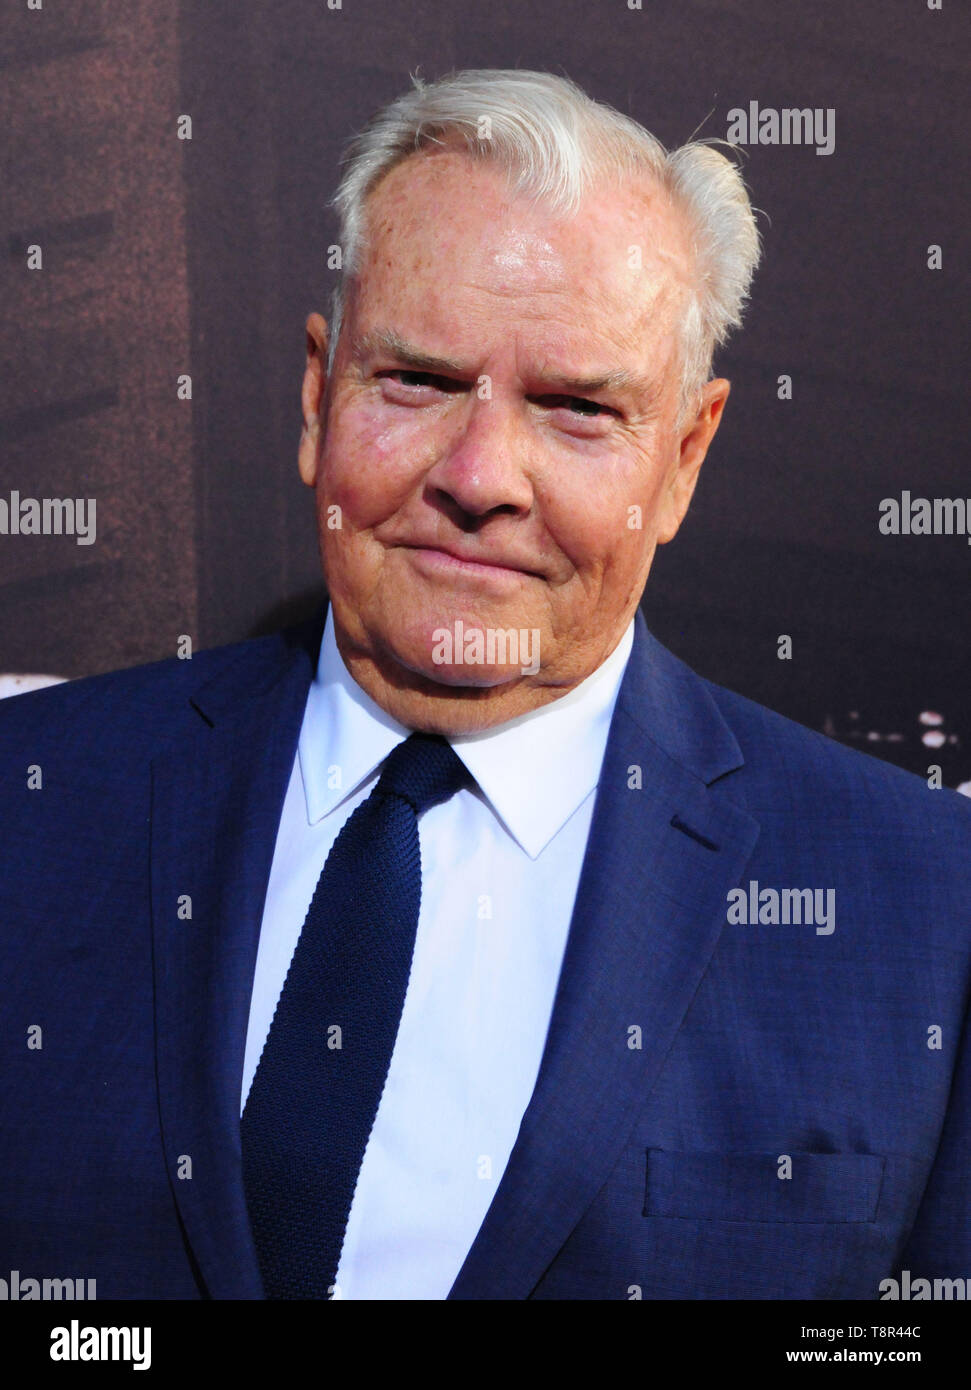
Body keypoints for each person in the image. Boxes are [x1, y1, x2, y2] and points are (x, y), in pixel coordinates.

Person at [1, 69, 969, 1302]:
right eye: (414, 380)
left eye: (575, 409)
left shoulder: (929, 911)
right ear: (317, 394)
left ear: (682, 457)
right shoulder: (26, 806)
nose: (479, 476)